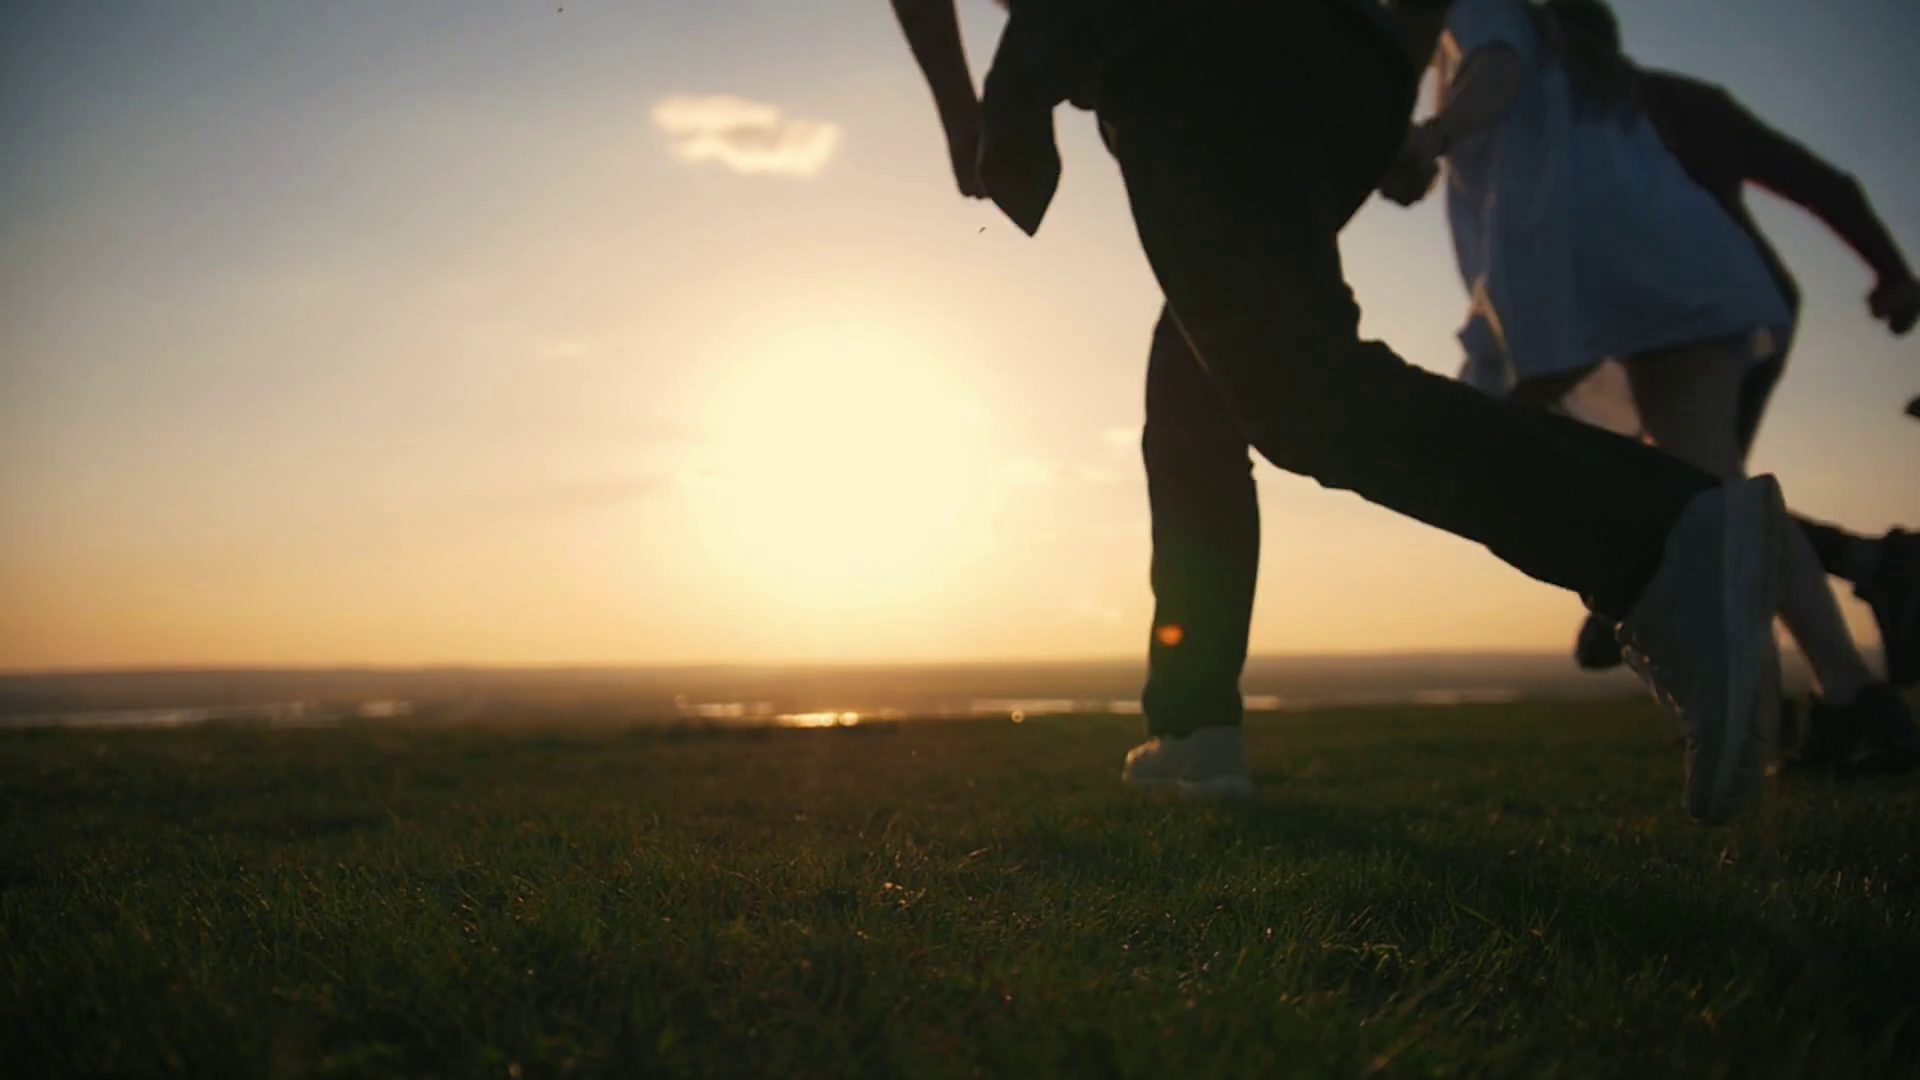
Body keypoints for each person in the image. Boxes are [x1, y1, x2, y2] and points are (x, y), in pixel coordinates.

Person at [890, 0, 1792, 824]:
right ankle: (1195, 726)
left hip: (1193, 50)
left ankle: (1657, 534)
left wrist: (962, 112)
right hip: (1338, 60)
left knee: (1299, 391)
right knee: (1197, 404)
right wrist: (1390, 79)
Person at [1378, 0, 1917, 772]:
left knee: (1688, 486)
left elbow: (1496, 68)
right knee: (1718, 480)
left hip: (1629, 282)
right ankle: (1853, 693)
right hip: (1690, 275)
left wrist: (1431, 136)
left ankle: (1728, 674)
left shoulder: (1494, 25)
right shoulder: (1599, 84)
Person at [1578, 61, 1920, 696]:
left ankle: (1793, 686)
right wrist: (1890, 273)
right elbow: (1824, 184)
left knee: (1704, 496)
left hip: (1698, 318)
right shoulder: (1678, 99)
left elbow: (1823, 184)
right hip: (1753, 309)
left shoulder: (1570, 108)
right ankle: (1865, 577)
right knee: (1709, 488)